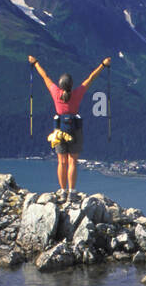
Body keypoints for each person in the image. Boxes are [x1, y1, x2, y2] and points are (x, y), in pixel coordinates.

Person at [28, 54, 110, 201]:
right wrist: (103, 65)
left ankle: (63, 191)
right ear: (71, 85)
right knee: (73, 162)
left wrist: (35, 63)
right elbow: (91, 78)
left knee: (62, 162)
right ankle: (72, 192)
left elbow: (45, 77)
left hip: (59, 131)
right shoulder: (77, 93)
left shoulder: (55, 92)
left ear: (60, 85)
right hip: (75, 131)